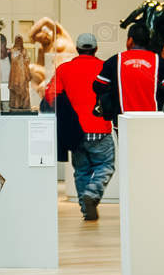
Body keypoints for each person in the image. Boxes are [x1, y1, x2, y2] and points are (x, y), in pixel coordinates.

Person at [43, 32, 116, 222]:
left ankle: (86, 209)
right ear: (96, 49)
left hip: (75, 132)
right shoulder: (105, 67)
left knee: (81, 171)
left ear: (76, 49)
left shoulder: (65, 69)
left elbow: (50, 95)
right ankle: (93, 193)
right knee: (106, 164)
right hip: (100, 128)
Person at [93, 30, 164, 130]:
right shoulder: (160, 62)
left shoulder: (115, 60)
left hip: (122, 124)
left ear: (130, 40)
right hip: (152, 123)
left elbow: (98, 86)